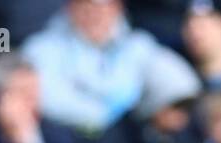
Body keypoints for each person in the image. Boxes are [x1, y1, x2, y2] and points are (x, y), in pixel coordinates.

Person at [21, 0, 169, 135]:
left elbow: (177, 89)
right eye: (86, 6)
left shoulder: (139, 45)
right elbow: (49, 100)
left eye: (102, 8)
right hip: (68, 141)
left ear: (117, 8)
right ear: (70, 8)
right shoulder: (40, 48)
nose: (94, 15)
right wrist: (104, 114)